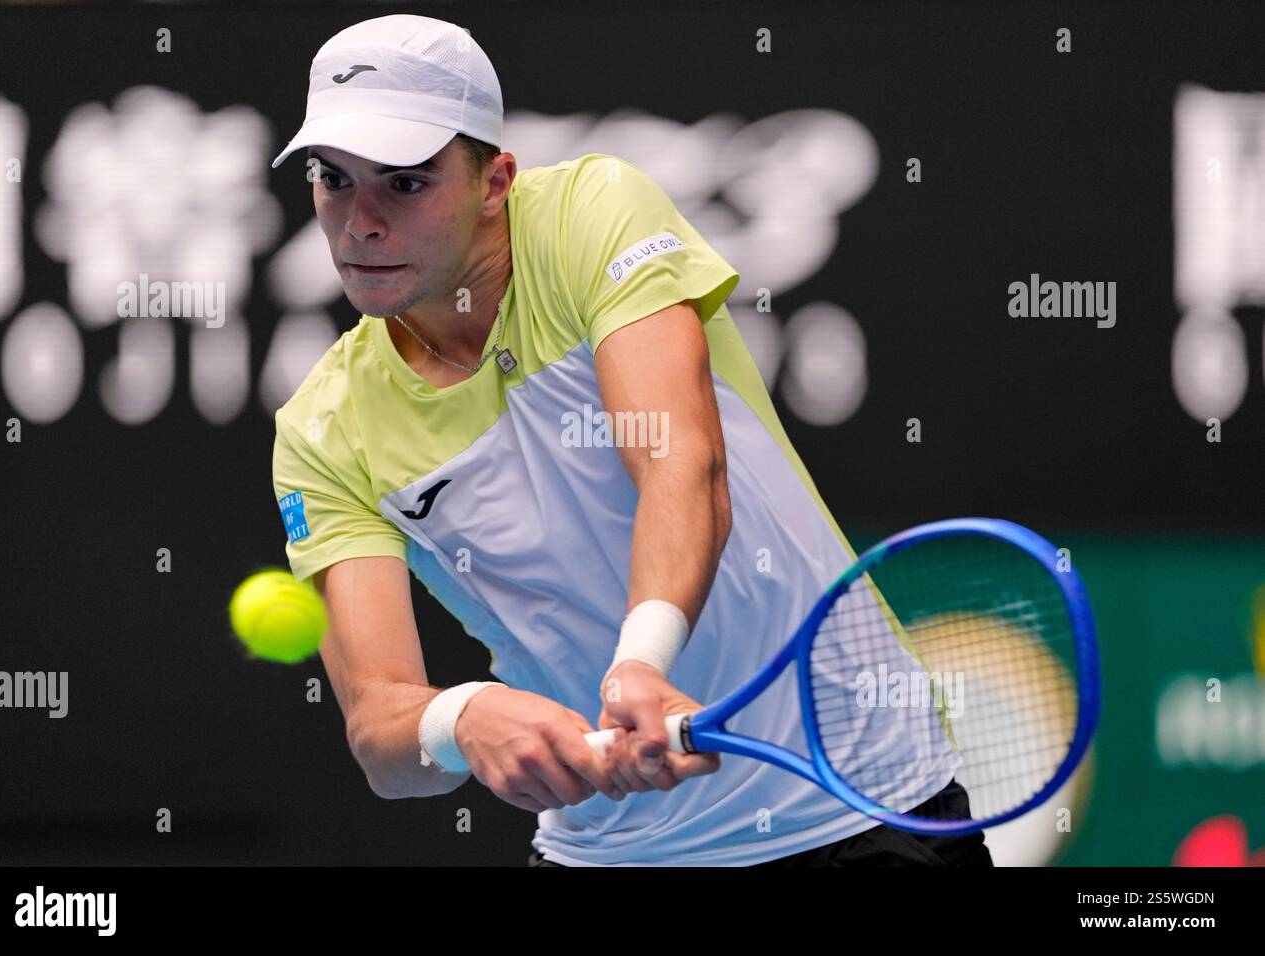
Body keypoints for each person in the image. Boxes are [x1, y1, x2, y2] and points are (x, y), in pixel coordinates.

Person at [269, 13, 992, 867]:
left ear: (496, 181)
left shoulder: (591, 212)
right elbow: (380, 730)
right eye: (332, 179)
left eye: (406, 183)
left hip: (861, 804)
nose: (359, 222)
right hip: (611, 854)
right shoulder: (322, 431)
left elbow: (681, 461)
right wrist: (459, 719)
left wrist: (641, 664)